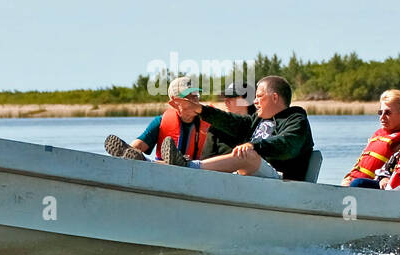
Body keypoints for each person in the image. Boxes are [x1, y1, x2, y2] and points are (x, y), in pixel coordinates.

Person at [165, 75, 315, 180]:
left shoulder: (296, 120)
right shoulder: (257, 119)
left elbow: (287, 145)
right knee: (246, 154)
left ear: (275, 97)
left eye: (259, 96)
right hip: (253, 178)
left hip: (280, 182)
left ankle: (188, 166)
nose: (255, 101)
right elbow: (231, 121)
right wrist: (200, 109)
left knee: (247, 154)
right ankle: (147, 161)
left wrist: (254, 145)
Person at [104, 75, 210, 162]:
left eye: (196, 94)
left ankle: (176, 161)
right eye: (189, 96)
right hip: (164, 169)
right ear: (175, 102)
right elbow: (139, 145)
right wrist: (128, 151)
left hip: (196, 170)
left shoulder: (210, 122)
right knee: (132, 152)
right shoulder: (161, 122)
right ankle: (126, 156)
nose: (195, 99)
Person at [341, 90, 400, 188]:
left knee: (358, 183)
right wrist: (348, 178)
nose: (382, 117)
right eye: (380, 112)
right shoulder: (377, 135)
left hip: (371, 189)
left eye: (387, 113)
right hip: (351, 186)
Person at [201, 81, 257, 157]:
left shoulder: (260, 126)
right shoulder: (217, 126)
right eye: (226, 97)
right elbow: (205, 159)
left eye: (232, 97)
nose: (226, 101)